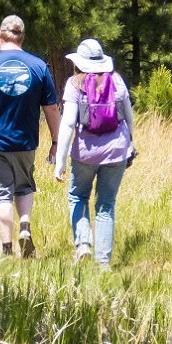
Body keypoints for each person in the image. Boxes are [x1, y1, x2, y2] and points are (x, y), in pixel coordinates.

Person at [0, 15, 60, 258]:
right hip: (26, 143)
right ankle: (25, 225)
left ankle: (6, 249)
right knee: (24, 187)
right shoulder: (38, 66)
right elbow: (52, 108)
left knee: (1, 194)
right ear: (22, 37)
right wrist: (56, 142)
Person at [53, 39, 136, 268]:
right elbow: (129, 117)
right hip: (116, 151)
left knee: (78, 196)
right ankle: (103, 265)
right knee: (106, 204)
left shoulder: (75, 83)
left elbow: (68, 123)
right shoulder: (117, 80)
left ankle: (83, 245)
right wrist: (131, 144)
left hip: (85, 154)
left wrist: (59, 161)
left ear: (79, 63)